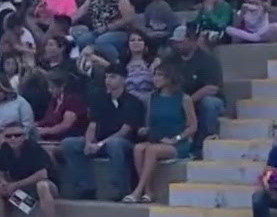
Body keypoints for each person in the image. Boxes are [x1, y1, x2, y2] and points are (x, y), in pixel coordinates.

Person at [64, 66, 144, 201]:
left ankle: (120, 189)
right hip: (100, 141)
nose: (108, 80)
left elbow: (125, 131)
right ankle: (86, 187)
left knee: (115, 144)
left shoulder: (134, 102)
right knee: (69, 144)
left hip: (123, 143)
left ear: (124, 80)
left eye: (113, 77)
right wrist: (89, 142)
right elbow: (92, 125)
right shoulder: (100, 100)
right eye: (107, 77)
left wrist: (100, 144)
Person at [124, 64, 196, 203]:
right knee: (138, 148)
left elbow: (192, 126)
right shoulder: (152, 98)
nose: (155, 78)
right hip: (157, 139)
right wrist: (146, 129)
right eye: (154, 75)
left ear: (170, 78)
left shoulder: (184, 98)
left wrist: (176, 139)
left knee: (151, 150)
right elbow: (150, 123)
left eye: (159, 75)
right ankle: (149, 191)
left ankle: (138, 191)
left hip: (177, 143)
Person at [0, 121, 59, 217]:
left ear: (24, 136)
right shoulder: (4, 149)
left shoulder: (34, 148)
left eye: (17, 135)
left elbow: (42, 174)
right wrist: (2, 182)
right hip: (20, 187)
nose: (13, 138)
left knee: (42, 185)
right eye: (9, 136)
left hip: (46, 186)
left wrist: (15, 185)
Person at [167, 25, 227, 141]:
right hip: (180, 100)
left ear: (192, 41)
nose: (176, 45)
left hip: (202, 100)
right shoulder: (171, 60)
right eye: (175, 42)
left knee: (209, 103)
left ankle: (208, 139)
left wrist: (189, 101)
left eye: (180, 42)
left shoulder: (208, 60)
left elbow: (212, 88)